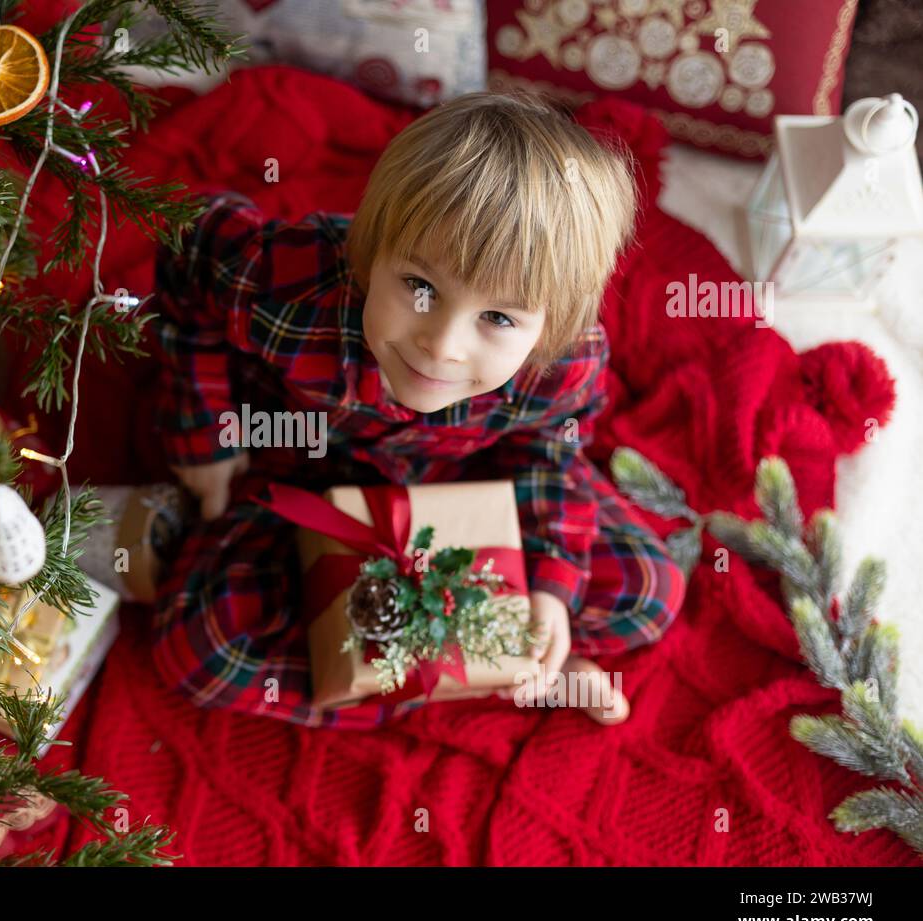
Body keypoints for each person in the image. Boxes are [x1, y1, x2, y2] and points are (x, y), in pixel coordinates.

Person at [149, 92, 685, 730]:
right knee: (196, 649)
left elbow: (549, 451)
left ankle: (496, 662)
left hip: (471, 489)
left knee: (651, 590)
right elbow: (187, 246)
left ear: (549, 329)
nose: (443, 344)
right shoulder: (287, 281)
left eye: (497, 317)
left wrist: (549, 589)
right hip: (311, 472)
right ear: (374, 248)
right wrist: (204, 433)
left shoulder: (564, 361)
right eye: (420, 287)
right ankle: (481, 676)